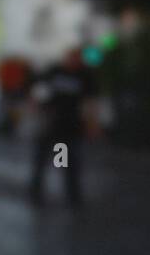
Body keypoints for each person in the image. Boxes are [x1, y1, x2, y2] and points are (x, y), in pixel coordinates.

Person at [27, 49, 99, 208]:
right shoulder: (54, 71)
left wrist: (92, 124)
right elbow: (38, 86)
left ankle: (72, 195)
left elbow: (91, 101)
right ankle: (35, 190)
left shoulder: (85, 76)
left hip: (71, 125)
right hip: (50, 122)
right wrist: (35, 104)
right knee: (41, 158)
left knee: (69, 162)